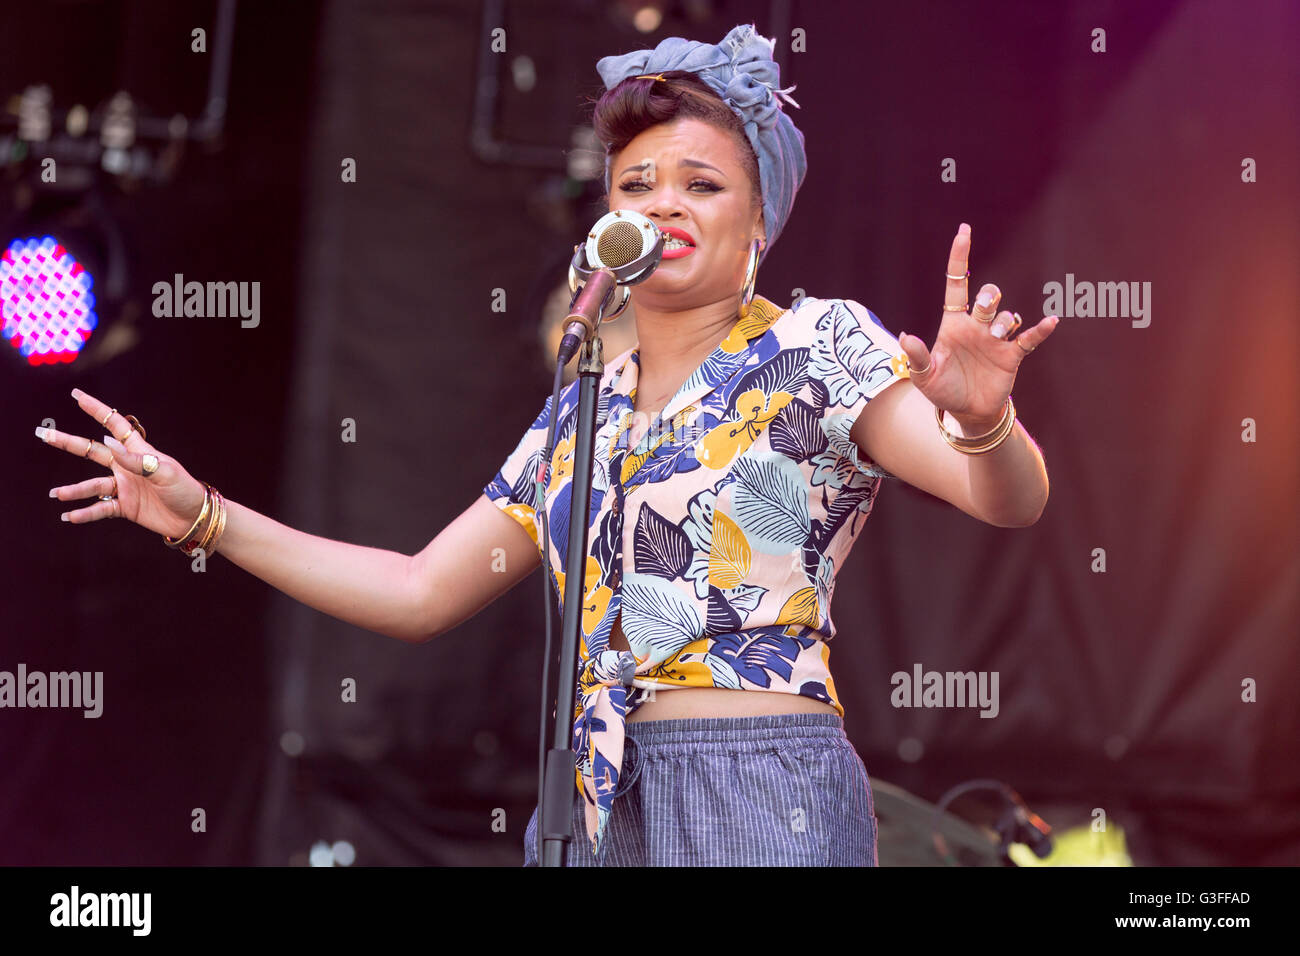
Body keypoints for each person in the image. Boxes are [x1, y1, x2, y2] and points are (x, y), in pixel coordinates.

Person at [34, 23, 1057, 867]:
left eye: (701, 184)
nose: (662, 202)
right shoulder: (585, 398)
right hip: (594, 794)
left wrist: (981, 418)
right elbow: (420, 589)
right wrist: (203, 512)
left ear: (760, 222)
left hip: (760, 782)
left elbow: (1005, 497)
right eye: (635, 183)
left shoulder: (819, 343)